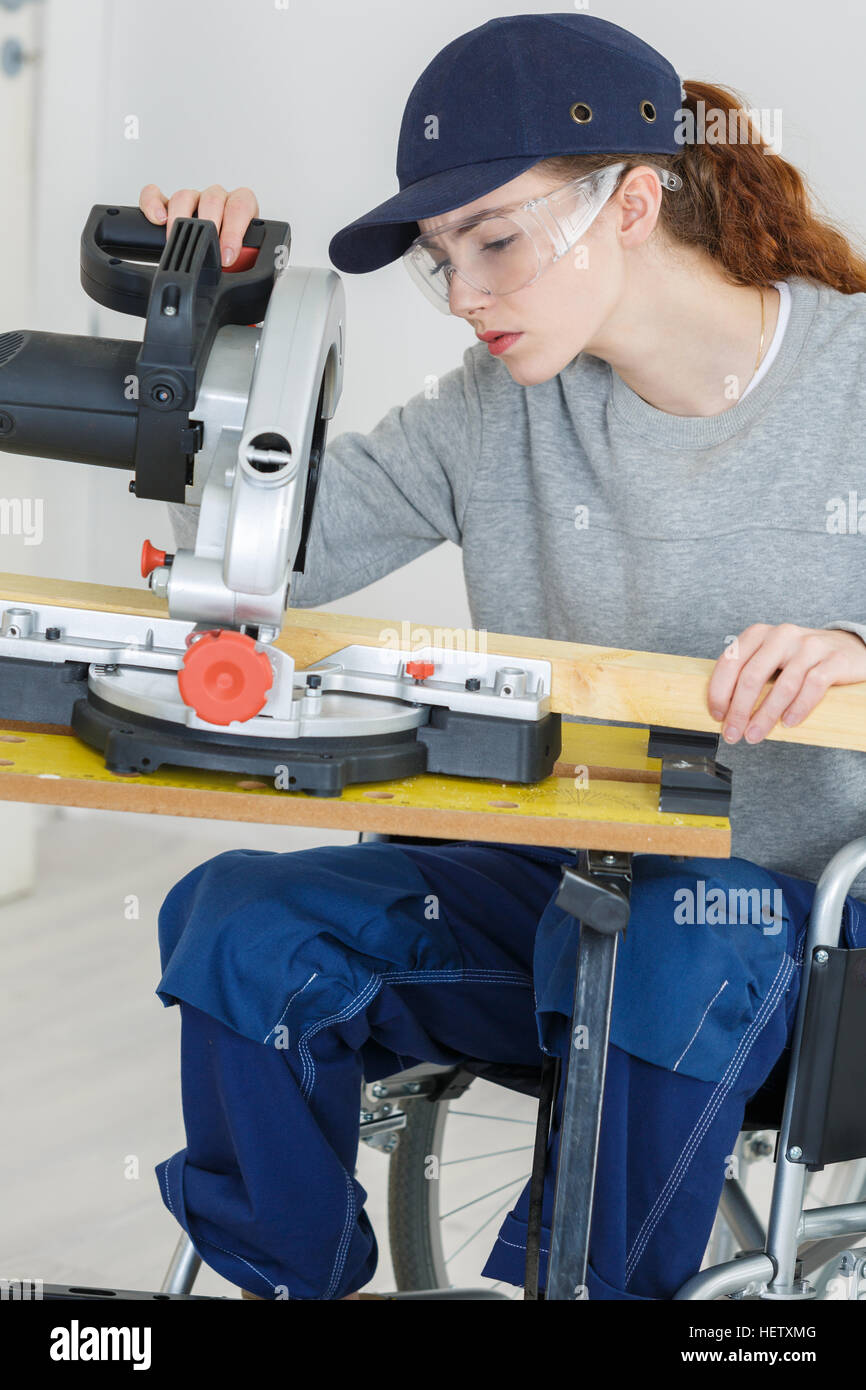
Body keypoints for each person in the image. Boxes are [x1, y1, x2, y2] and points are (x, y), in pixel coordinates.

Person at [142, 12, 866, 1300]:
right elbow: (265, 564)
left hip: (814, 945)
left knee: (693, 922)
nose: (465, 296)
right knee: (239, 919)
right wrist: (214, 336)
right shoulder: (497, 411)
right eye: (440, 258)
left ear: (634, 199)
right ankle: (280, 1277)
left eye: (494, 241)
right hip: (568, 904)